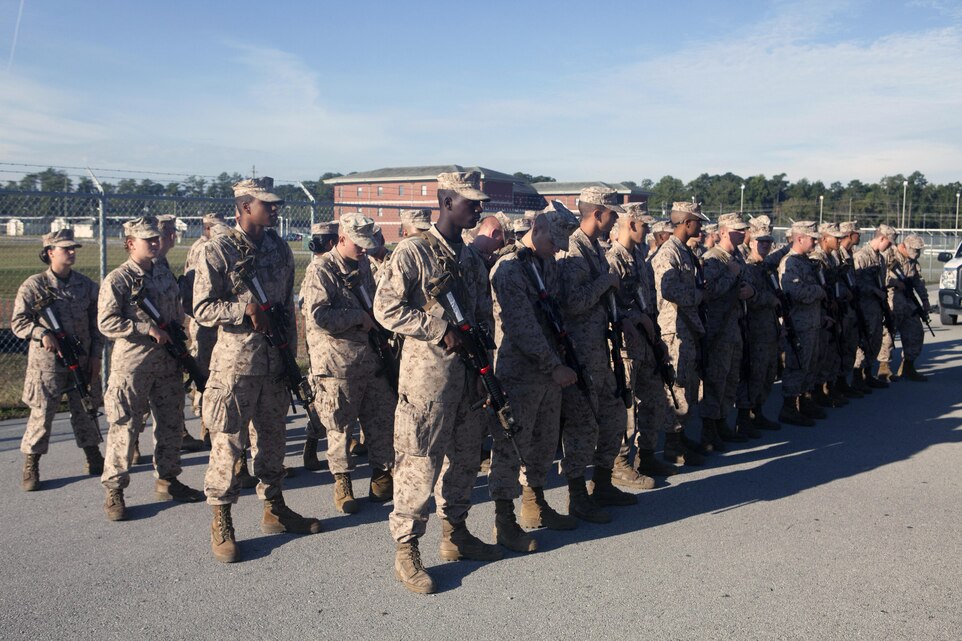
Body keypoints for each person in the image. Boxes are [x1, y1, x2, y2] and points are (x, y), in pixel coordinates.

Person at [373, 170, 501, 595]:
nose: (477, 209)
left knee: (464, 459)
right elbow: (385, 308)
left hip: (468, 377)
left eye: (480, 203)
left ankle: (456, 533)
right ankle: (407, 550)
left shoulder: (470, 258)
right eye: (470, 202)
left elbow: (482, 316)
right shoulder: (414, 252)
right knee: (419, 463)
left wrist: (485, 371)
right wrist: (437, 329)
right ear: (446, 202)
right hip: (427, 381)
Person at [194, 177, 321, 563]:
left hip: (275, 362)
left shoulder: (279, 248)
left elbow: (286, 307)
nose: (275, 208)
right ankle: (222, 519)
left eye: (276, 203)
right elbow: (201, 308)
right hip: (237, 365)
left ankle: (274, 508)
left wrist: (291, 358)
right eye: (267, 203)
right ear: (245, 206)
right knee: (229, 441)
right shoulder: (218, 250)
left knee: (273, 438)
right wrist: (243, 309)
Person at [98, 216, 204, 521]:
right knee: (125, 426)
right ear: (131, 243)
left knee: (170, 423)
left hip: (168, 362)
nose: (156, 243)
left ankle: (167, 479)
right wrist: (145, 328)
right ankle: (115, 490)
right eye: (149, 240)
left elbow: (175, 313)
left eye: (157, 238)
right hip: (133, 365)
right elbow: (106, 322)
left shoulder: (163, 273)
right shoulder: (119, 279)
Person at [487, 209, 581, 553]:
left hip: (548, 370)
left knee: (543, 442)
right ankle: (504, 520)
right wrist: (553, 365)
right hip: (519, 372)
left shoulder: (546, 263)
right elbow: (521, 325)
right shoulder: (509, 268)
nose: (558, 249)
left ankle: (535, 503)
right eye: (554, 241)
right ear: (537, 228)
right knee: (511, 447)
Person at [300, 213, 396, 514]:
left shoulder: (362, 263)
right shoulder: (321, 269)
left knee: (381, 418)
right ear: (341, 238)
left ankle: (382, 475)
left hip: (371, 358)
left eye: (367, 244)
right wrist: (358, 318)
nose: (364, 249)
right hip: (337, 363)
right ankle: (343, 483)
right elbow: (318, 315)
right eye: (359, 244)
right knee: (340, 426)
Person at [11, 228, 104, 491]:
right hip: (47, 364)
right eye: (66, 248)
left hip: (81, 361)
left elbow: (97, 323)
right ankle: (31, 463)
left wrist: (96, 356)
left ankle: (93, 455)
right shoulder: (34, 285)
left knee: (86, 409)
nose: (71, 252)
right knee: (42, 414)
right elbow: (18, 322)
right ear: (50, 252)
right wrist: (41, 333)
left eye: (73, 248)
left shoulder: (86, 286)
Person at [607, 203, 693, 477]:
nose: (648, 230)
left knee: (655, 399)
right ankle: (620, 463)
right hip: (625, 347)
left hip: (646, 343)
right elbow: (609, 308)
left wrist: (656, 336)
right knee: (627, 407)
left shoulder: (640, 259)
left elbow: (650, 303)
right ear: (631, 224)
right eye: (644, 225)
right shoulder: (613, 259)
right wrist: (636, 317)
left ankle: (646, 456)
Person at [650, 203, 712, 462]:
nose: (701, 226)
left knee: (687, 386)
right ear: (687, 223)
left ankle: (680, 436)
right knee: (676, 388)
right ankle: (672, 445)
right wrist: (698, 295)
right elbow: (669, 290)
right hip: (674, 330)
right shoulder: (669, 252)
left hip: (687, 328)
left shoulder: (684, 251)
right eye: (698, 221)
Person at [699, 213, 755, 447]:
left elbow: (747, 284)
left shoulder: (738, 257)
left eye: (743, 230)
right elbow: (708, 292)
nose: (742, 234)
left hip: (735, 325)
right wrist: (731, 275)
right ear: (723, 232)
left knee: (731, 378)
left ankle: (722, 421)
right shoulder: (713, 258)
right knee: (716, 379)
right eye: (737, 230)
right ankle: (709, 428)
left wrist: (751, 291)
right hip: (718, 328)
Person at [182, 212, 228, 448]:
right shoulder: (201, 249)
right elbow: (193, 289)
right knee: (205, 374)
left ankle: (210, 423)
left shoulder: (218, 248)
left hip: (221, 320)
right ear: (208, 229)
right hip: (205, 323)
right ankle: (206, 423)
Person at [734, 219, 782, 433]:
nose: (765, 245)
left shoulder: (766, 268)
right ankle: (744, 418)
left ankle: (758, 412)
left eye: (768, 242)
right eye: (760, 241)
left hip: (769, 330)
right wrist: (769, 299)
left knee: (767, 374)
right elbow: (747, 296)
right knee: (752, 374)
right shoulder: (748, 268)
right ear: (751, 243)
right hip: (754, 331)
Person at [776, 222, 826, 426]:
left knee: (809, 364)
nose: (815, 242)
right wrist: (819, 291)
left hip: (811, 322)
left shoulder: (805, 261)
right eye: (812, 238)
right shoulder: (790, 263)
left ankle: (805, 401)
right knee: (796, 365)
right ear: (799, 238)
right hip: (798, 324)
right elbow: (795, 292)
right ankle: (789, 407)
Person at [300, 221, 339, 472]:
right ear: (333, 243)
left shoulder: (320, 266)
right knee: (322, 398)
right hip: (322, 345)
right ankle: (312, 445)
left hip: (321, 344)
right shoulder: (320, 269)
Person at [879, 234, 930, 381]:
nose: (916, 253)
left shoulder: (912, 261)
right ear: (903, 246)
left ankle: (908, 366)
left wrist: (925, 300)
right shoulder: (889, 256)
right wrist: (895, 282)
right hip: (892, 299)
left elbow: (918, 281)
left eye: (918, 250)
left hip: (908, 301)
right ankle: (884, 367)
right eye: (914, 249)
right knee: (889, 333)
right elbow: (879, 277)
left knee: (916, 331)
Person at [853, 224, 897, 388]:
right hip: (864, 307)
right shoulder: (861, 256)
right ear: (882, 238)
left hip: (877, 308)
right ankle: (857, 376)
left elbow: (882, 283)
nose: (890, 247)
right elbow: (855, 284)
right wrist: (873, 290)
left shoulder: (881, 259)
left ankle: (868, 373)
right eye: (889, 243)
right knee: (863, 342)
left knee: (875, 341)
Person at [809, 223, 849, 408]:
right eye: (836, 237)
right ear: (824, 238)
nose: (840, 240)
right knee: (822, 353)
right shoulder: (817, 259)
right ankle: (817, 391)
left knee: (831, 351)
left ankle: (828, 387)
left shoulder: (831, 258)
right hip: (823, 312)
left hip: (834, 308)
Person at [835, 221, 865, 397]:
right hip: (842, 307)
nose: (859, 236)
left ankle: (843, 381)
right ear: (849, 235)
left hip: (851, 306)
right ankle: (835, 383)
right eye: (857, 233)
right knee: (841, 345)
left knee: (849, 345)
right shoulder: (838, 254)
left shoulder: (849, 254)